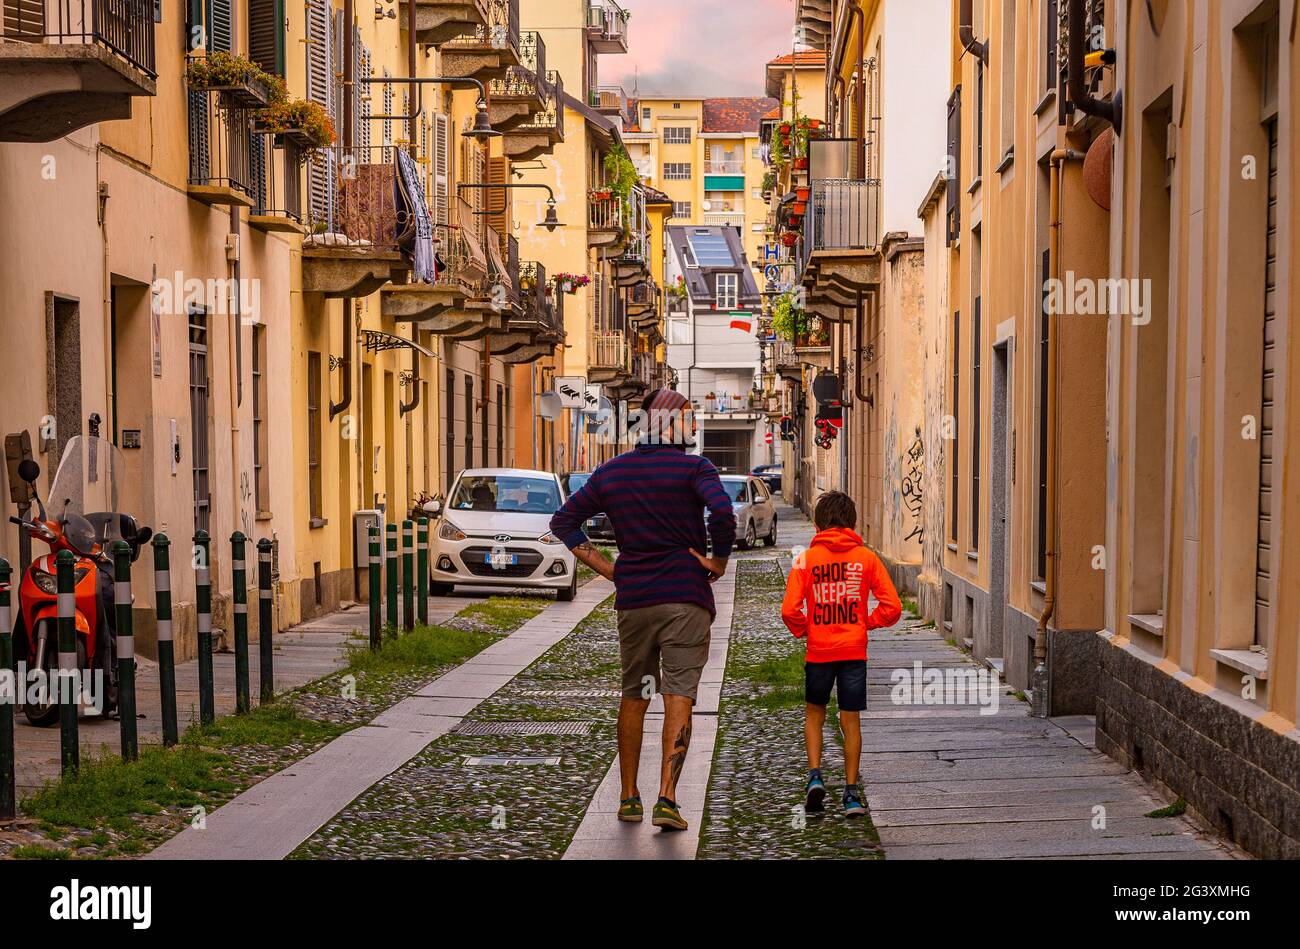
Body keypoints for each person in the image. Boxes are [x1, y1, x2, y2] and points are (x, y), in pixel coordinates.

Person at [550, 388, 735, 832]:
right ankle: (666, 799)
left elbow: (563, 522)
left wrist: (609, 569)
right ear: (666, 422)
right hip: (685, 599)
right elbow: (723, 513)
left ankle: (628, 796)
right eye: (688, 417)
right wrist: (718, 561)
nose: (694, 425)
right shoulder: (696, 468)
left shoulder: (612, 472)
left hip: (634, 601)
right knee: (679, 694)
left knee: (634, 694)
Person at [781, 491, 901, 817]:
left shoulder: (805, 560)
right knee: (850, 720)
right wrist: (866, 622)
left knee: (814, 714)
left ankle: (815, 776)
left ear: (818, 522)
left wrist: (807, 628)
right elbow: (893, 607)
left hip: (819, 650)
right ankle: (850, 794)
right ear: (853, 521)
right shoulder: (866, 558)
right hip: (853, 650)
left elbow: (789, 609)